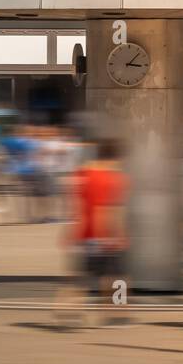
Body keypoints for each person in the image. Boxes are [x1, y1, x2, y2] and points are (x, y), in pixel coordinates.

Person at [57, 139, 127, 327]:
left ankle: (67, 309)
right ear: (115, 158)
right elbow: (103, 209)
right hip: (99, 236)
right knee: (115, 277)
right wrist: (112, 237)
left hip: (81, 234)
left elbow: (75, 205)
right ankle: (115, 314)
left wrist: (70, 232)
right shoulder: (110, 178)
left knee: (82, 278)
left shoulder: (81, 174)